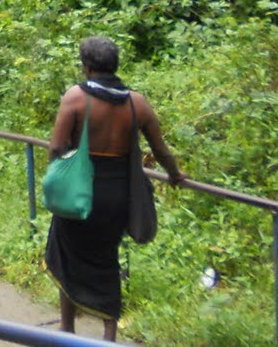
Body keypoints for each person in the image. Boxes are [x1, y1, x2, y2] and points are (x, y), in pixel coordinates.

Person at [45, 36, 184, 342]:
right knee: (107, 259)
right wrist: (175, 174)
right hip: (118, 195)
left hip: (80, 191)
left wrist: (60, 174)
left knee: (67, 252)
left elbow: (56, 146)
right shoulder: (137, 102)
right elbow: (160, 150)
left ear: (87, 66)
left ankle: (67, 329)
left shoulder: (75, 98)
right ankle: (109, 335)